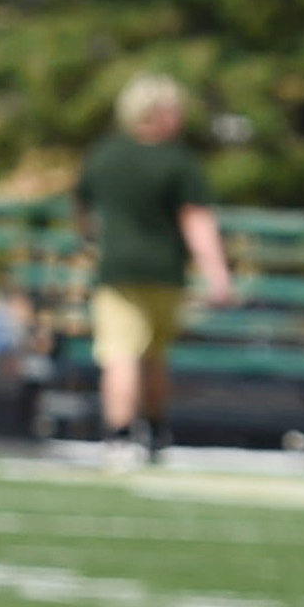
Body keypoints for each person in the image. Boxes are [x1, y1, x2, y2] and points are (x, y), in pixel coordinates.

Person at [73, 73, 235, 461]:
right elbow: (196, 220)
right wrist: (218, 273)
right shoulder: (177, 161)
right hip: (165, 272)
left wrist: (93, 243)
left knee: (121, 352)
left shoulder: (105, 154)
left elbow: (83, 211)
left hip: (118, 270)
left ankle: (120, 434)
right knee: (150, 355)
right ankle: (156, 429)